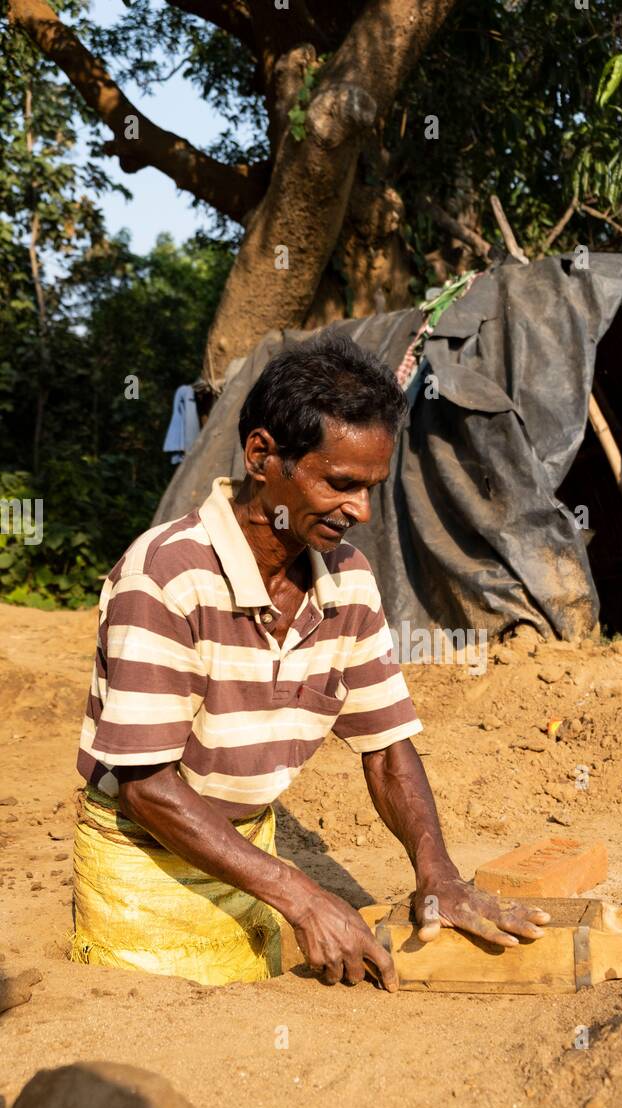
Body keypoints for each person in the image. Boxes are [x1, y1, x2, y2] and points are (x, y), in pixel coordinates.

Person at [73, 333, 548, 989]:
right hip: (142, 868)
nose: (360, 510)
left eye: (372, 487)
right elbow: (148, 788)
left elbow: (385, 749)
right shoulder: (165, 578)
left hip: (249, 861)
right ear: (264, 456)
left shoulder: (347, 580)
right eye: (341, 483)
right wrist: (301, 896)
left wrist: (437, 873)